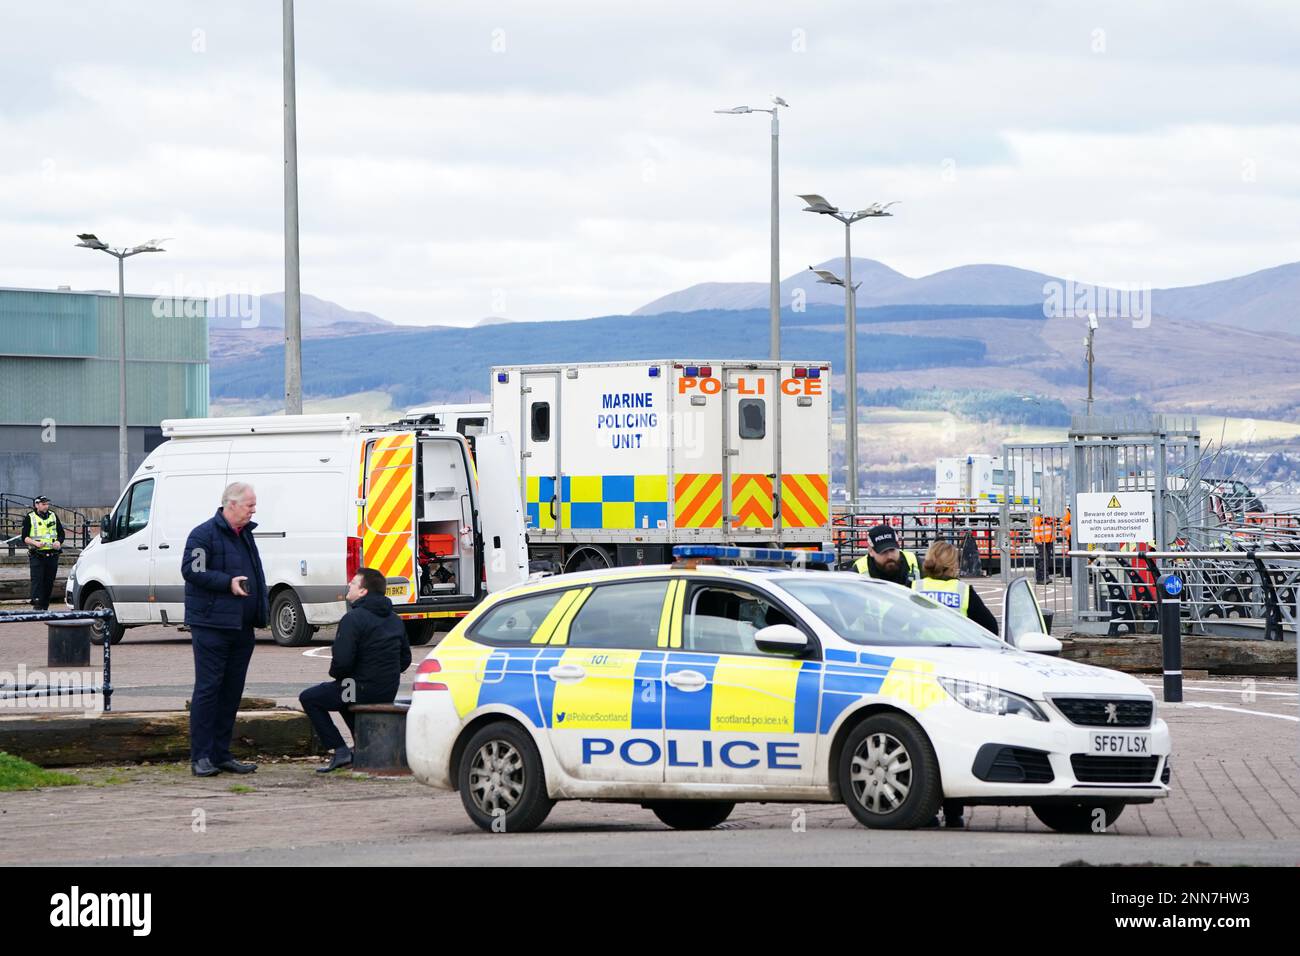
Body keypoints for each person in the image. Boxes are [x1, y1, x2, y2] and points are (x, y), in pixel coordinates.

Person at [181, 482, 268, 777]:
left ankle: (221, 754)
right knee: (208, 690)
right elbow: (192, 571)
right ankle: (201, 756)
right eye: (249, 505)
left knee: (232, 692)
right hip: (211, 626)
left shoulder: (245, 535)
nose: (254, 510)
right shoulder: (203, 534)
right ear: (230, 504)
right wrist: (227, 582)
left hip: (241, 627)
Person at [299, 566, 411, 773]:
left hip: (361, 688)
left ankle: (339, 750)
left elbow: (342, 663)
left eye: (353, 583)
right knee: (342, 694)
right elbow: (405, 659)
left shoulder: (353, 619)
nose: (348, 586)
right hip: (387, 688)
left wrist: (338, 676)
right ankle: (361, 746)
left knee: (310, 698)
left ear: (363, 591)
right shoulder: (395, 620)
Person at [911, 540, 999, 634]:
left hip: (919, 646)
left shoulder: (913, 587)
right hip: (957, 646)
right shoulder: (964, 591)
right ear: (953, 565)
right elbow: (991, 628)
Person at [22, 495, 64, 611]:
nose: (46, 506)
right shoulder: (30, 517)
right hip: (37, 554)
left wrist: (58, 542)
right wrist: (35, 543)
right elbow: (24, 537)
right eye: (43, 504)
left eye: (47, 504)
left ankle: (44, 606)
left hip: (52, 554)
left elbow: (61, 534)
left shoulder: (53, 516)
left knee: (49, 581)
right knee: (37, 580)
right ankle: (36, 605)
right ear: (37, 505)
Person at [852, 524, 920, 587]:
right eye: (883, 552)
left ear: (898, 545)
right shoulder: (858, 570)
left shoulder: (915, 561)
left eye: (892, 550)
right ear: (871, 551)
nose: (889, 556)